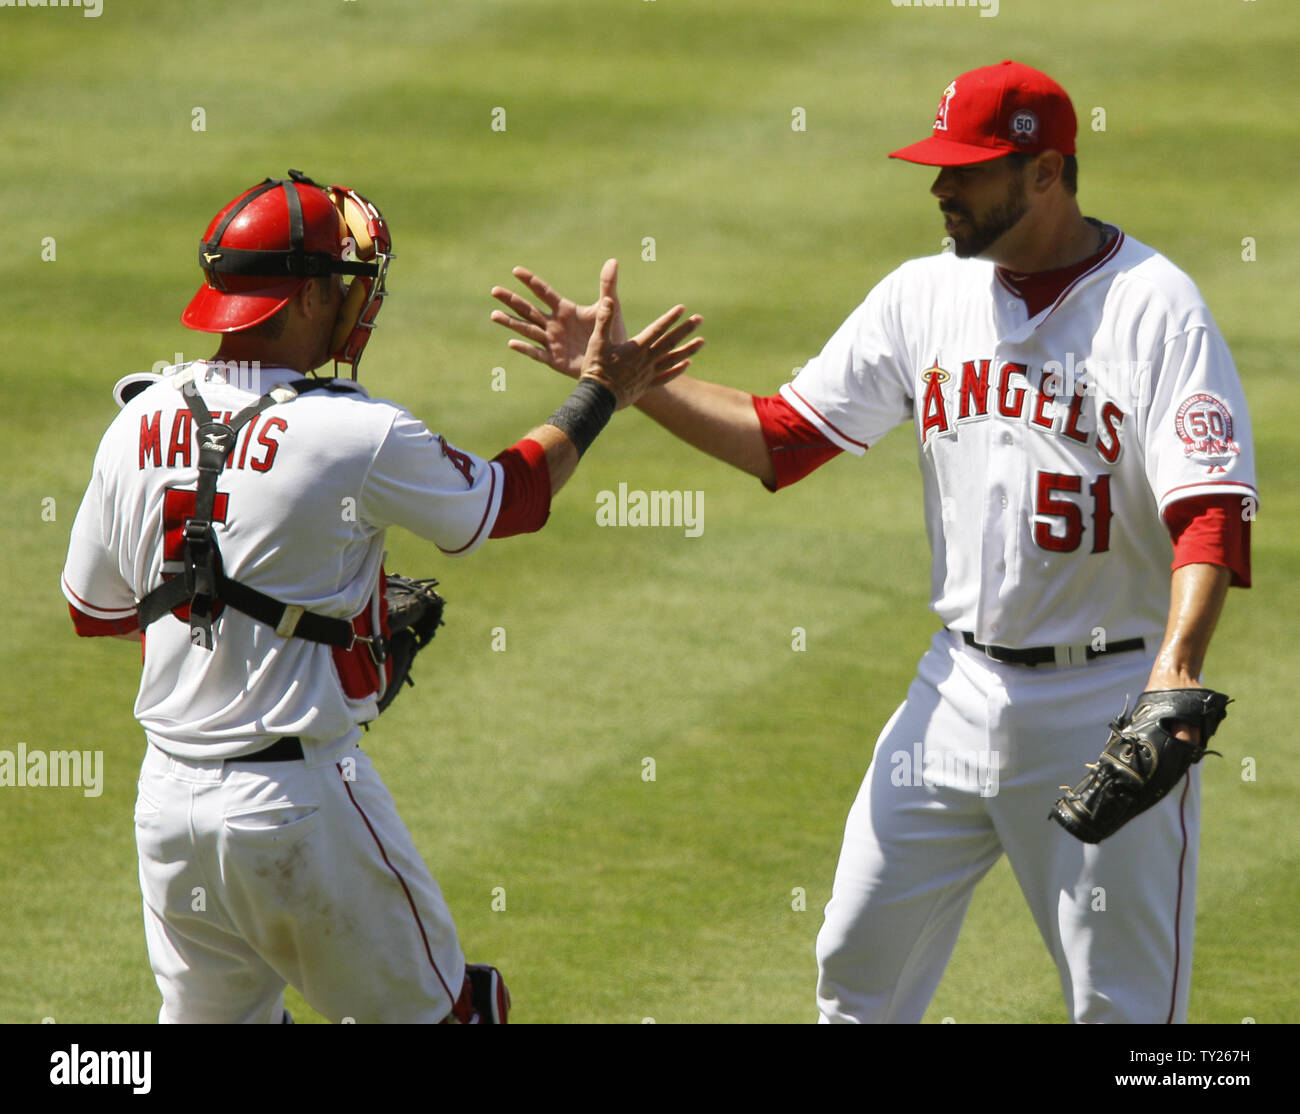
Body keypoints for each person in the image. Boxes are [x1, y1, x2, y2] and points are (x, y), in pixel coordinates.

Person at [489, 61, 1257, 1023]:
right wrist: (630, 388)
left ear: (1048, 173)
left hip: (1104, 700)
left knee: (1126, 1012)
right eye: (939, 165)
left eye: (969, 170)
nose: (940, 187)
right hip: (956, 691)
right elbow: (783, 438)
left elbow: (1211, 509)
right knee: (856, 962)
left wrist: (1175, 677)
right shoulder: (922, 294)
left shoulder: (1155, 306)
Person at [60, 170, 701, 1024]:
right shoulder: (355, 430)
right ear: (304, 297)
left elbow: (95, 610)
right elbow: (508, 501)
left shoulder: (135, 421)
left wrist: (259, 619)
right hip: (301, 808)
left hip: (168, 813)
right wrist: (602, 392)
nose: (359, 300)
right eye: (345, 283)